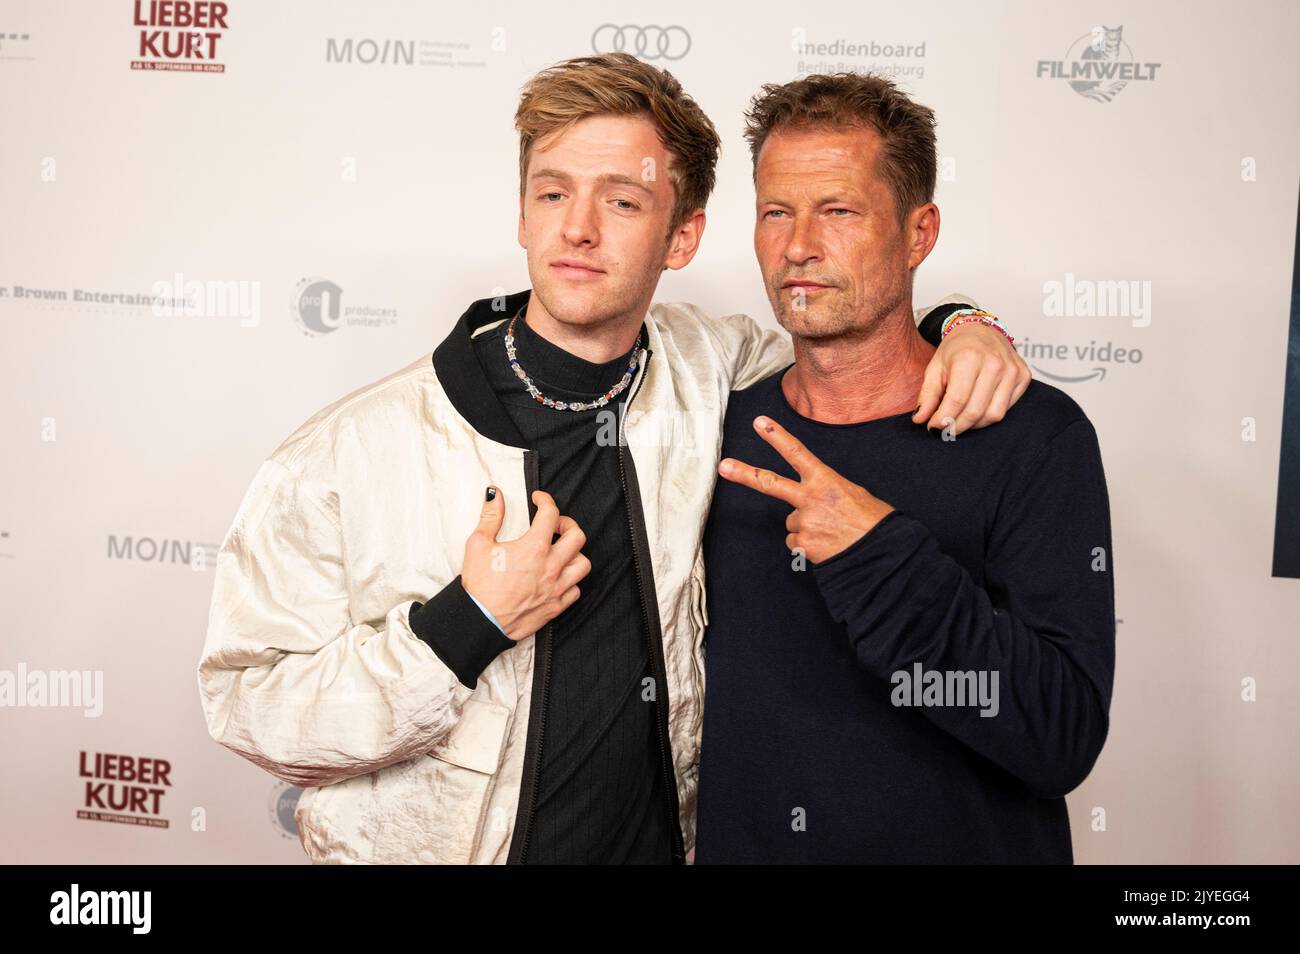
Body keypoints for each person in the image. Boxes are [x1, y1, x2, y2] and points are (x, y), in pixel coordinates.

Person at [196, 53, 1029, 865]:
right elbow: (243, 704)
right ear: (522, 214)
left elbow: (846, 341)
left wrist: (963, 321)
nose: (577, 228)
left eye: (623, 201)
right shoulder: (349, 450)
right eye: (552, 193)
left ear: (683, 236)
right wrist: (464, 626)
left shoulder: (714, 371)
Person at [694, 71, 1115, 864]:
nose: (798, 246)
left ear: (919, 234)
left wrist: (877, 557)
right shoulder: (721, 424)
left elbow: (1062, 735)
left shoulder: (1030, 436)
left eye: (840, 211)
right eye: (775, 212)